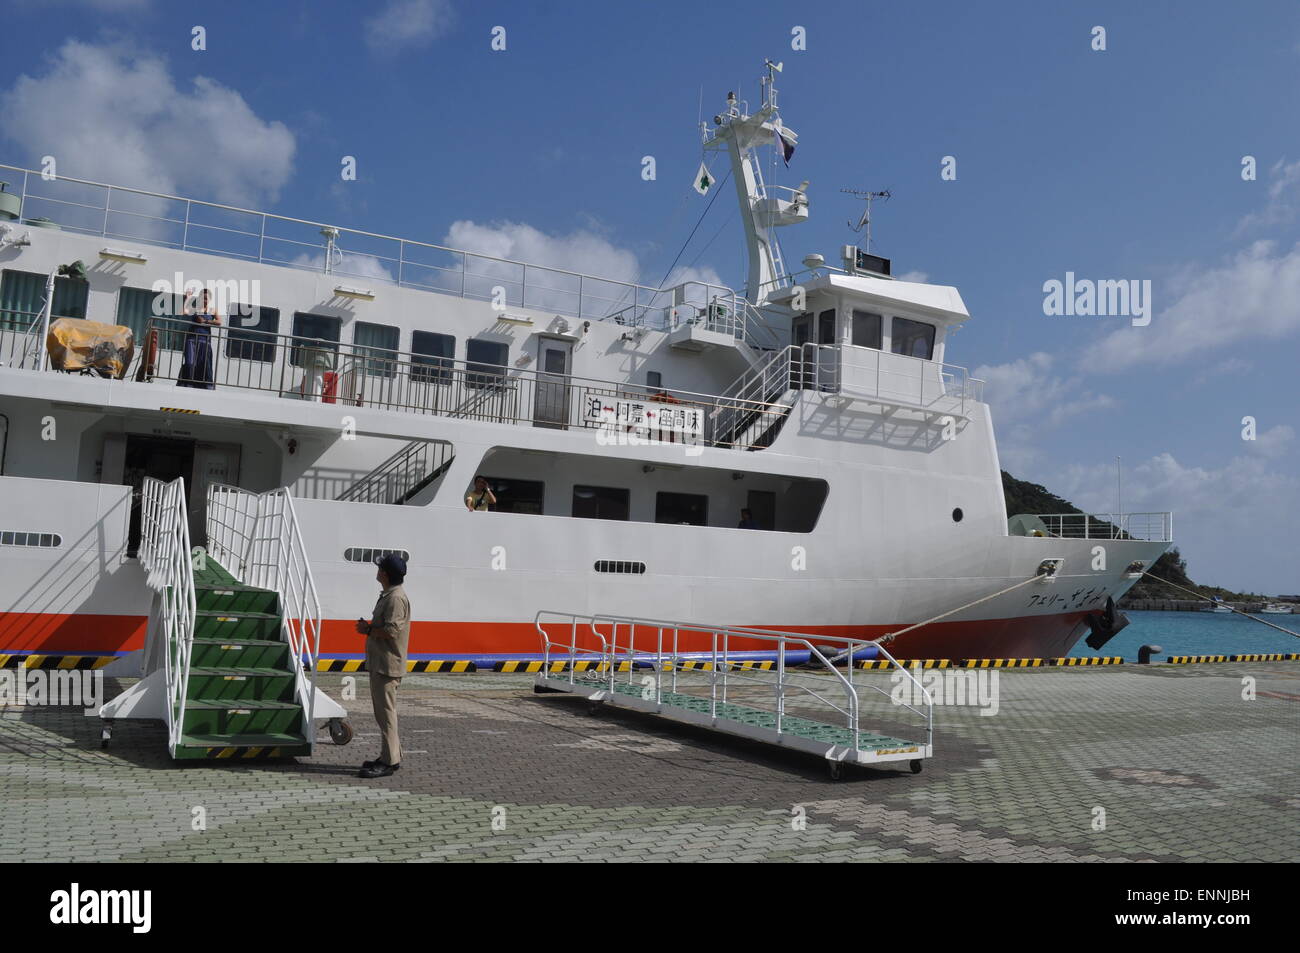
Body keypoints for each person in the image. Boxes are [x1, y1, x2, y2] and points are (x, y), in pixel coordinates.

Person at [355, 553, 411, 779]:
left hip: (387, 666)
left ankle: (389, 762)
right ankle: (391, 756)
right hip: (382, 664)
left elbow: (392, 631)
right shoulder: (390, 595)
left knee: (386, 715)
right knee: (384, 714)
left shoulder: (395, 598)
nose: (377, 571)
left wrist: (367, 630)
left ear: (385, 574)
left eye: (380, 569)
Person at [177, 288, 221, 389]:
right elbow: (182, 312)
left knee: (204, 366)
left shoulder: (213, 310)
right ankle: (187, 384)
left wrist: (206, 321)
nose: (204, 300)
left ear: (209, 299)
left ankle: (203, 387)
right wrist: (187, 298)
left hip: (205, 342)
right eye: (202, 298)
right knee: (189, 363)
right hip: (192, 341)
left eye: (206, 298)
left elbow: (219, 322)